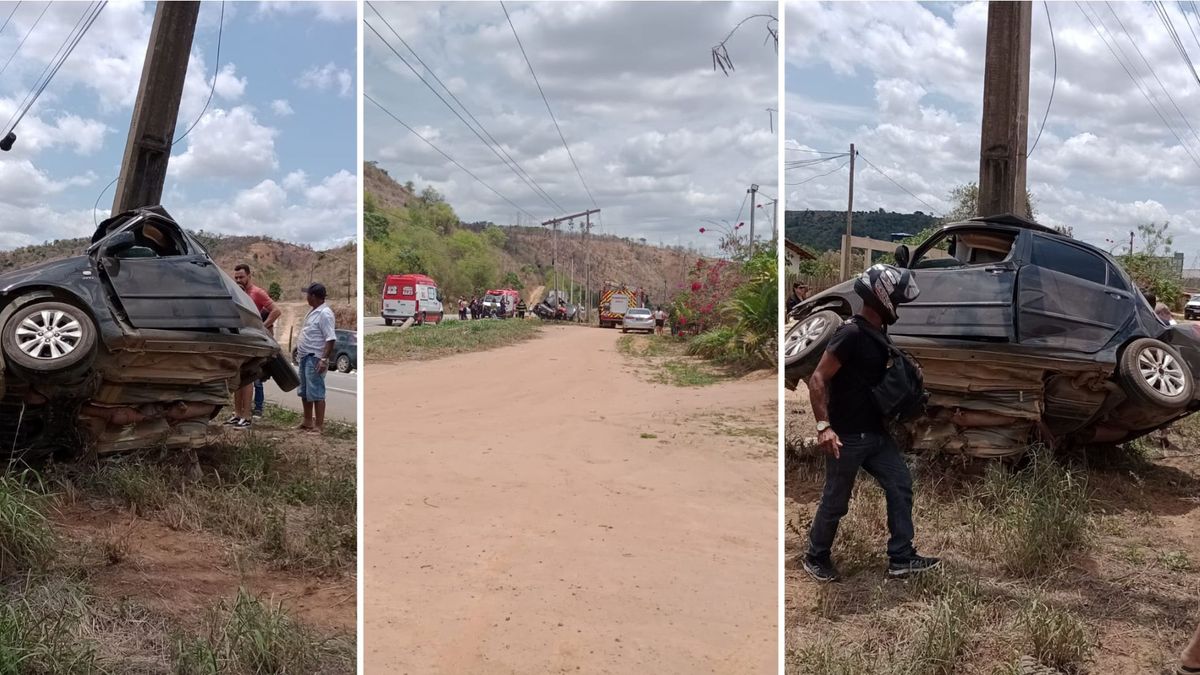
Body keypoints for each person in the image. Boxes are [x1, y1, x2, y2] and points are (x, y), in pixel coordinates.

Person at [803, 263, 940, 582]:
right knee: (836, 501)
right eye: (897, 300)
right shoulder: (850, 333)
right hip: (847, 436)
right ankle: (816, 556)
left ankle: (901, 557)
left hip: (876, 435)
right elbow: (818, 379)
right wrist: (824, 427)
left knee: (900, 484)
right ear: (882, 297)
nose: (899, 306)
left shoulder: (878, 333)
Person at [225, 264, 280, 428]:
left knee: (248, 378)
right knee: (237, 378)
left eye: (241, 277)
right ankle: (237, 414)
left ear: (249, 276)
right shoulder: (236, 293)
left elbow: (276, 311)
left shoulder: (257, 292)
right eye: (236, 277)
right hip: (239, 340)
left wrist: (262, 327)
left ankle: (247, 416)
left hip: (252, 341)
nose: (238, 279)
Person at [296, 283, 337, 434]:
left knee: (316, 392)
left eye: (308, 294)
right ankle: (307, 421)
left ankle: (319, 426)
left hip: (315, 357)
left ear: (313, 296)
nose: (306, 297)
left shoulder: (325, 313)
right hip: (304, 356)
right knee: (305, 391)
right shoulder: (313, 311)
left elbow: (330, 338)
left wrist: (323, 359)